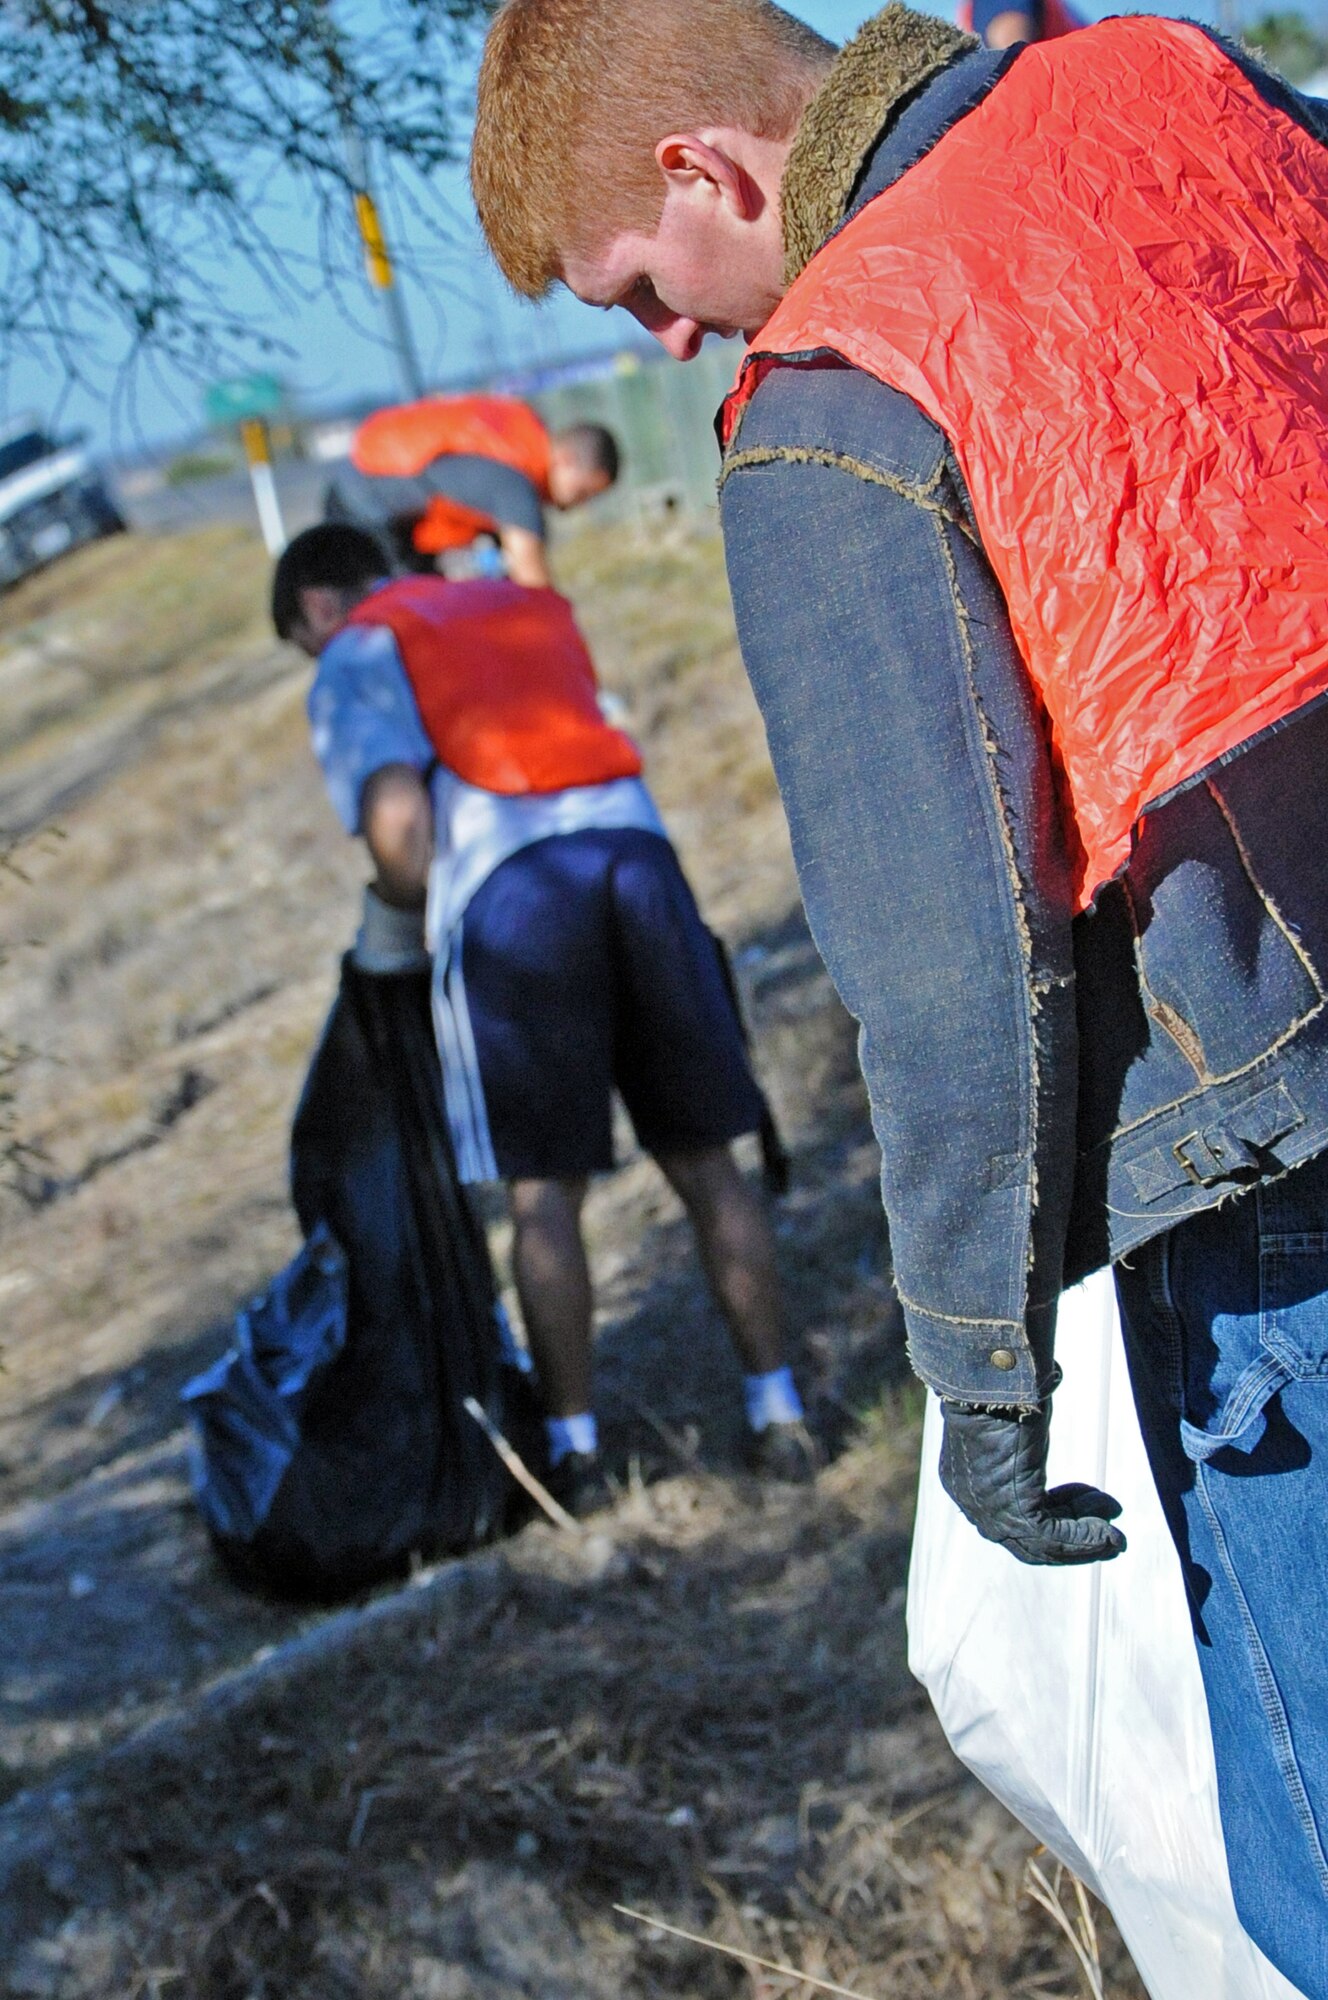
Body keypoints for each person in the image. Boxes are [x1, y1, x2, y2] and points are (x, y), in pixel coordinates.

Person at [470, 1, 1328, 1986]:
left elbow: (946, 972)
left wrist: (980, 1370)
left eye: (637, 294)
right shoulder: (1171, 84)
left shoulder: (845, 383)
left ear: (708, 170)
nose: (671, 343)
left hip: (1277, 1173)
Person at [271, 522, 815, 1516]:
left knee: (542, 1194)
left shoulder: (356, 646)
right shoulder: (513, 602)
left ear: (315, 606)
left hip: (514, 897)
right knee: (704, 1160)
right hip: (639, 861)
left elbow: (399, 824)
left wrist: (405, 917)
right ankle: (776, 1405)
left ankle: (572, 1448)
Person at [324, 392, 619, 588]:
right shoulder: (516, 483)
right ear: (565, 460)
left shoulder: (518, 433)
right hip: (365, 515)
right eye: (583, 493)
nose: (579, 505)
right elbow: (533, 582)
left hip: (365, 495)